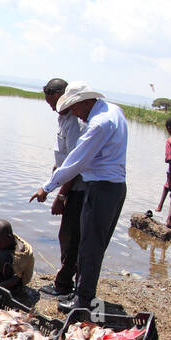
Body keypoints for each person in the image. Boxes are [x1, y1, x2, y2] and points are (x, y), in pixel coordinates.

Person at [29, 82, 129, 313]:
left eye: (75, 108)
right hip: (113, 187)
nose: (75, 113)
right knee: (92, 244)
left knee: (89, 247)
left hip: (102, 188)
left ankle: (83, 300)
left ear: (85, 101)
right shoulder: (113, 110)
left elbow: (76, 161)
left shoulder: (99, 124)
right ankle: (81, 293)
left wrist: (48, 187)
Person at [38, 78, 87, 298]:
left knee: (70, 236)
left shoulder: (75, 122)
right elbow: (63, 157)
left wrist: (61, 195)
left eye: (54, 102)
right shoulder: (64, 118)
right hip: (68, 183)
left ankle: (65, 284)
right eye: (49, 104)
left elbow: (74, 164)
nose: (52, 108)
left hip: (77, 188)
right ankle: (67, 280)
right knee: (66, 235)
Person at [0, 219, 34, 292]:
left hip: (17, 281)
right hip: (6, 268)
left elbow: (15, 279)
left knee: (2, 255)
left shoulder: (20, 253)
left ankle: (7, 287)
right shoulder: (4, 239)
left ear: (9, 237)